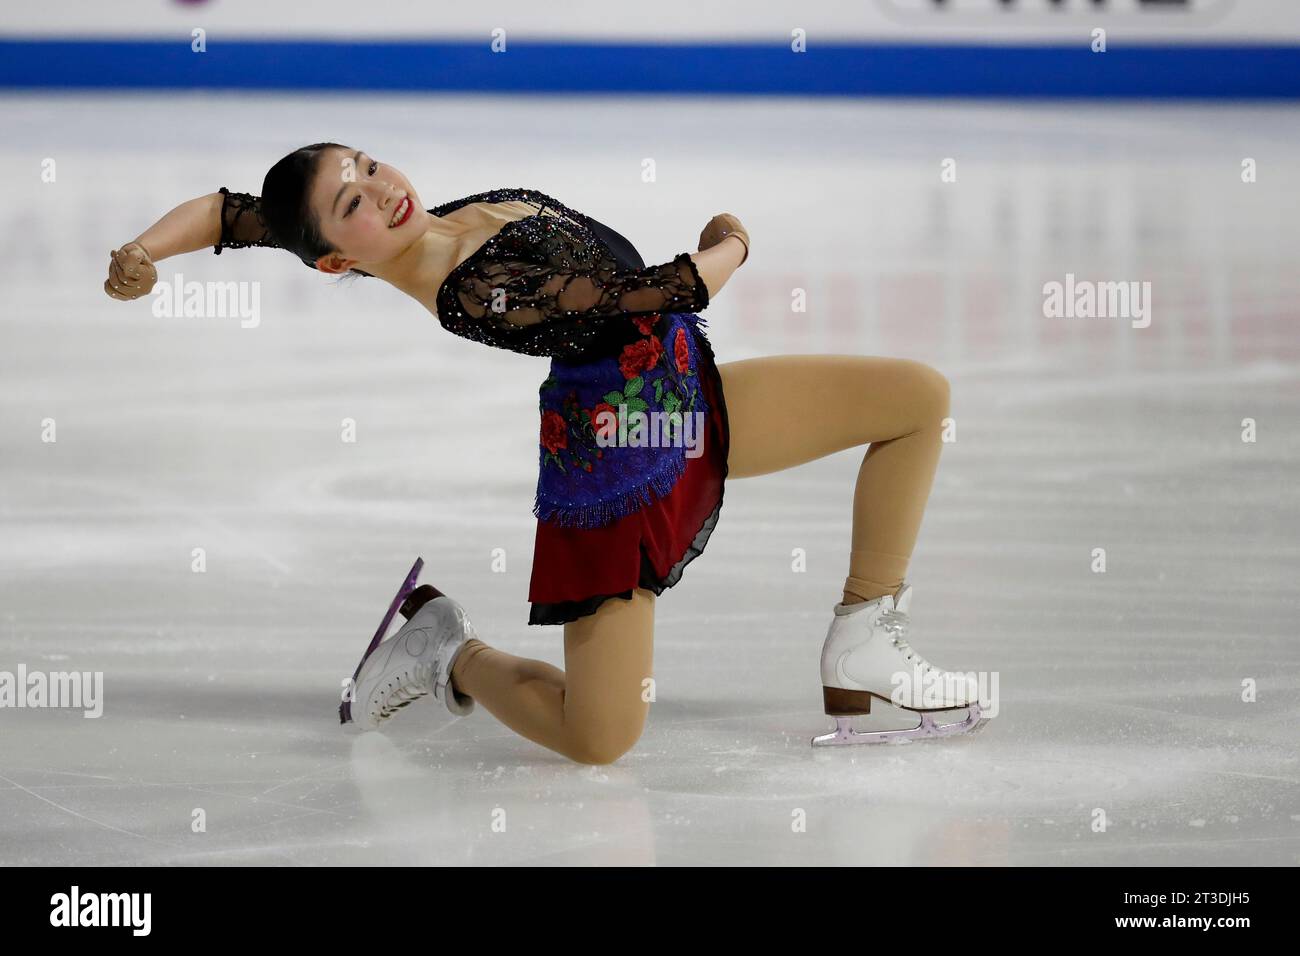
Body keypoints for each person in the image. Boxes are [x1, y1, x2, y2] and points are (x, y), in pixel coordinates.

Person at [104, 142, 988, 764]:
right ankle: (448, 650)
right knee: (599, 738)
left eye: (368, 167)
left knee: (916, 399)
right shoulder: (472, 292)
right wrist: (735, 244)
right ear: (336, 263)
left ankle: (865, 638)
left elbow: (227, 213)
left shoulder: (429, 221)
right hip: (616, 458)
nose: (379, 192)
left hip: (684, 393)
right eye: (351, 205)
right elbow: (654, 293)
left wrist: (145, 250)